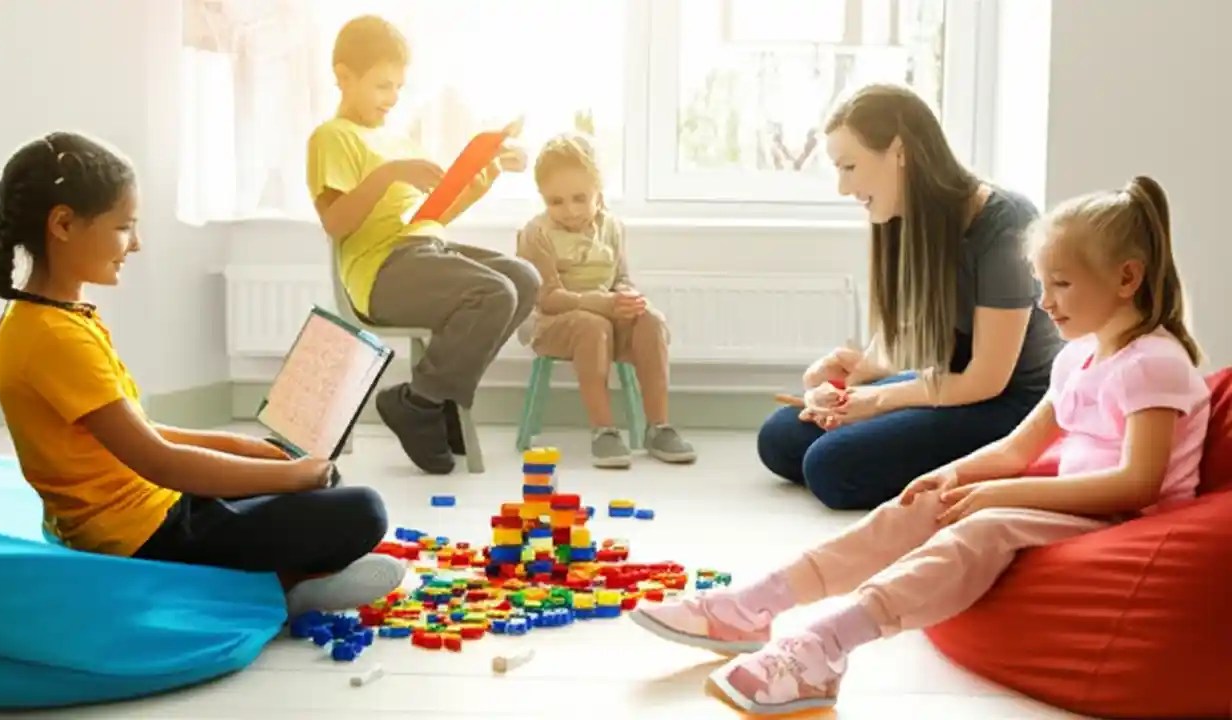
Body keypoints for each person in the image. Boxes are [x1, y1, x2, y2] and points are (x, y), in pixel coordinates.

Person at [630, 175, 1210, 714]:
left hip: (1122, 521)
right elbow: (1014, 448)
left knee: (982, 526)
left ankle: (828, 646)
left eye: (1060, 284)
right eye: (1042, 284)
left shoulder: (1153, 364)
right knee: (927, 502)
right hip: (1073, 502)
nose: (1044, 302)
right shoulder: (1082, 356)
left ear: (1127, 279)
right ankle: (752, 606)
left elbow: (1139, 484)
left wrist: (996, 497)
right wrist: (954, 477)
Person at [0, 132, 403, 617]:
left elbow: (135, 434)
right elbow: (160, 461)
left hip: (151, 509)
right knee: (362, 509)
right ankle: (290, 587)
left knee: (310, 479)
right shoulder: (55, 337)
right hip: (147, 536)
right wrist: (289, 477)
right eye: (124, 227)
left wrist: (248, 449)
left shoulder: (48, 317)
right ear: (63, 223)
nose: (135, 244)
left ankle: (292, 568)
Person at [757, 83, 1065, 510]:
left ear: (899, 152)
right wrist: (841, 383)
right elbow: (896, 346)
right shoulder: (904, 216)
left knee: (830, 467)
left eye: (849, 166)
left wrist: (878, 400)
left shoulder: (1004, 222)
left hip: (1011, 402)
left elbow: (987, 379)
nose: (843, 188)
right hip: (946, 384)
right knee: (781, 437)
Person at [306, 15, 539, 475]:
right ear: (342, 76)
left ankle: (429, 399)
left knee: (524, 279)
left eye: (398, 87)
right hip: (382, 272)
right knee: (494, 293)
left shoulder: (395, 137)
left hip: (424, 250)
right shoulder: (332, 137)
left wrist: (484, 175)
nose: (392, 98)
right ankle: (425, 402)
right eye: (381, 86)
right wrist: (387, 174)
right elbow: (335, 222)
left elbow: (431, 216)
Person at [516, 133, 696, 468]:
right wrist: (599, 303)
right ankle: (604, 430)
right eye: (556, 202)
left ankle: (658, 426)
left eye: (580, 198)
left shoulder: (611, 227)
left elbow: (619, 278)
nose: (569, 211)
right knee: (592, 324)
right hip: (553, 322)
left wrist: (627, 296)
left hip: (605, 314)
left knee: (651, 321)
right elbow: (547, 298)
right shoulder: (536, 233)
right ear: (542, 198)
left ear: (599, 190)